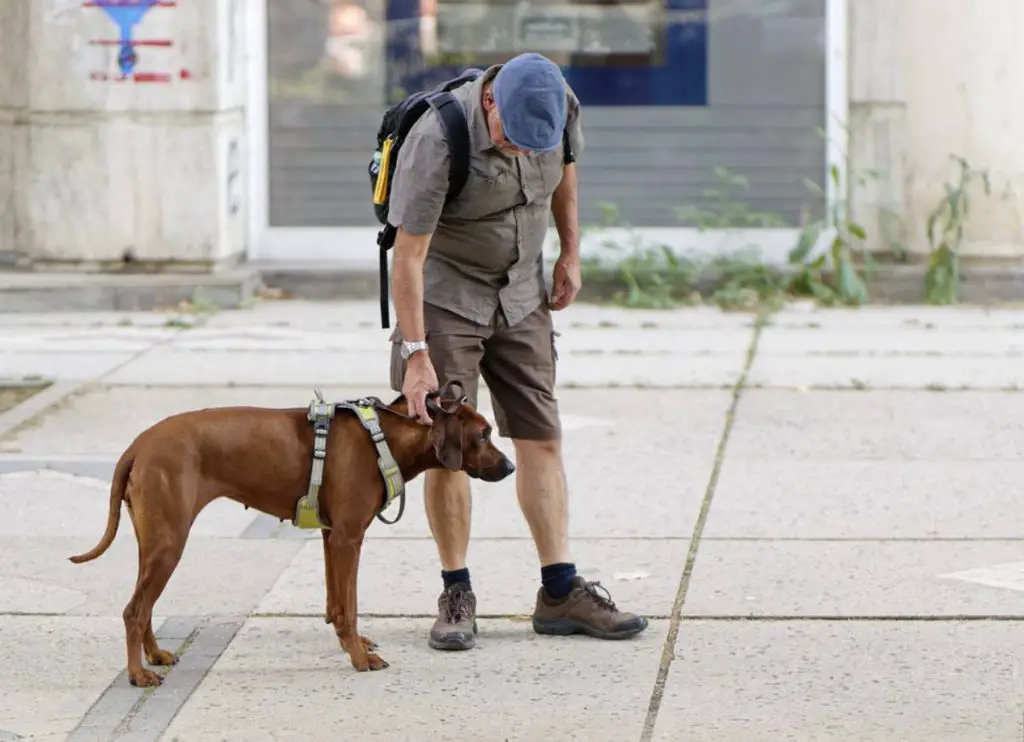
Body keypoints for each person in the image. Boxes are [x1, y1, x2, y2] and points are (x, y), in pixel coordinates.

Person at [386, 52, 649, 650]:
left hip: (523, 291)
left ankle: (560, 591)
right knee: (447, 446)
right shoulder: (439, 136)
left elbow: (568, 174)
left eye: (535, 144)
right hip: (447, 296)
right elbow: (409, 255)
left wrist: (570, 253)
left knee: (541, 433)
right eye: (510, 139)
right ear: (489, 103)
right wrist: (418, 352)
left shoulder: (560, 106)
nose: (520, 152)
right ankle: (457, 592)